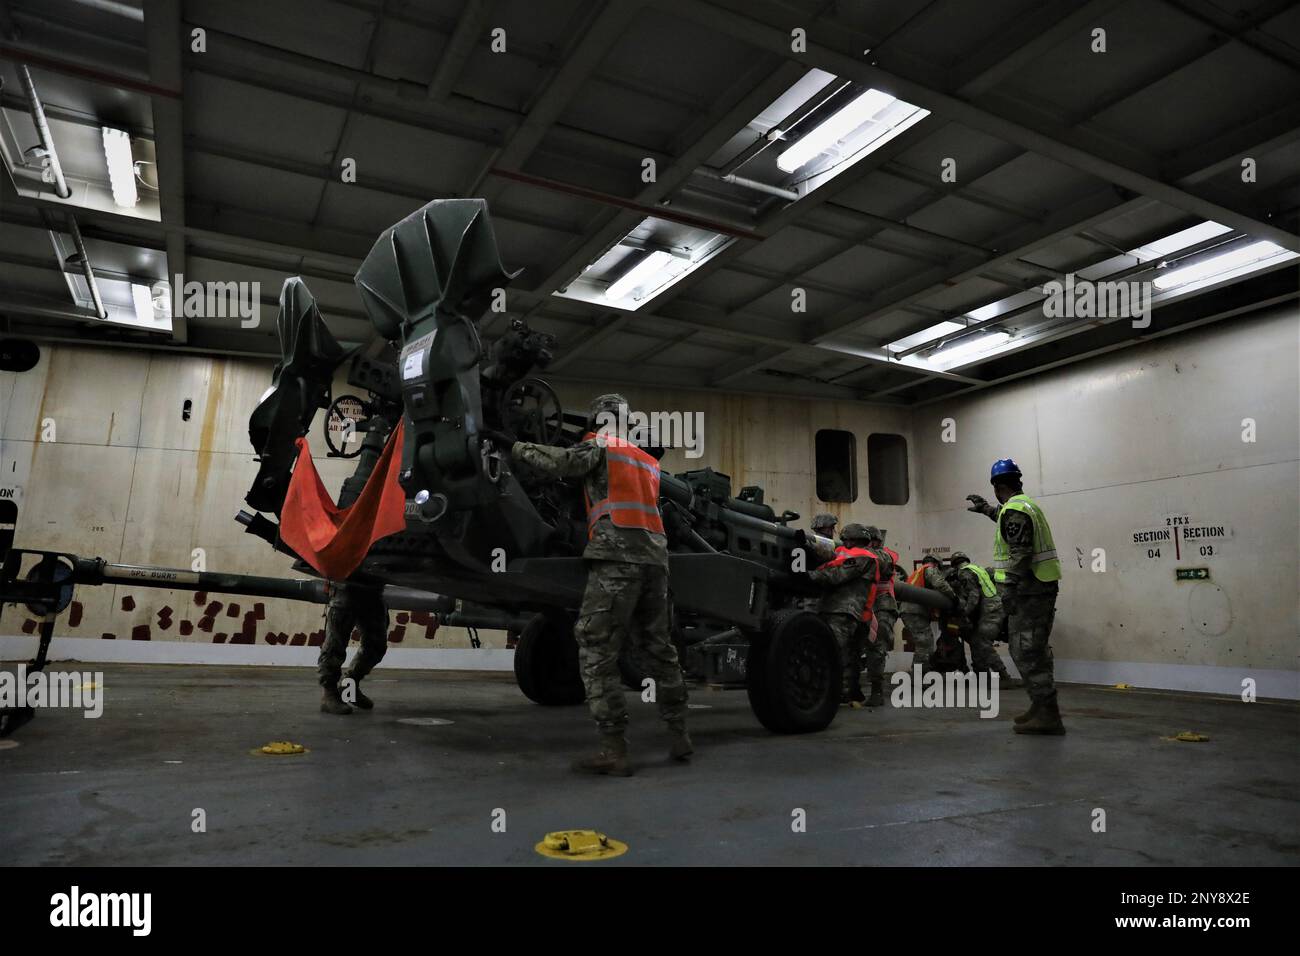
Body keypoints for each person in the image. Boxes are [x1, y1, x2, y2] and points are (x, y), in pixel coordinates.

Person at [488, 394, 691, 775]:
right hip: (655, 562)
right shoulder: (646, 461)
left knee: (597, 647)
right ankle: (679, 734)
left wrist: (512, 445)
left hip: (617, 559)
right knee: (659, 649)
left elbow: (557, 463)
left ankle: (614, 748)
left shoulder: (600, 446)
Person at [966, 458, 1064, 735]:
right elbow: (1010, 525)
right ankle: (1041, 706)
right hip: (1037, 587)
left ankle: (1047, 713)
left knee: (1026, 649)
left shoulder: (1016, 511)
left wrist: (1008, 590)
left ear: (999, 486)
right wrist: (986, 509)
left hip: (1029, 591)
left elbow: (1020, 553)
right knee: (1032, 648)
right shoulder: (1023, 506)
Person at [807, 523, 879, 705]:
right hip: (839, 610)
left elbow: (836, 575)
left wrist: (807, 575)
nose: (844, 542)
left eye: (847, 539)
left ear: (852, 539)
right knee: (845, 654)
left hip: (843, 611)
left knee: (833, 652)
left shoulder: (864, 556)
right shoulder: (847, 554)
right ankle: (847, 692)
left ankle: (832, 693)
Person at [948, 551, 1020, 688]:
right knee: (976, 640)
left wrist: (964, 612)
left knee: (982, 642)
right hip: (993, 607)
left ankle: (1004, 677)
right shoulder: (977, 568)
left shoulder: (963, 572)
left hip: (990, 609)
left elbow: (974, 596)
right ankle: (983, 677)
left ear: (955, 565)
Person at [319, 584, 390, 714]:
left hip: (373, 590)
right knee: (335, 646)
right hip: (345, 588)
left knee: (376, 645)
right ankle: (328, 695)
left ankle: (348, 688)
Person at [858, 526, 898, 707]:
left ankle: (877, 690)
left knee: (877, 647)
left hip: (882, 605)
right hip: (865, 605)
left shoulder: (884, 556)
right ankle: (852, 689)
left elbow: (883, 565)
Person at [900, 555, 959, 675]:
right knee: (925, 644)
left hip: (910, 610)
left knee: (924, 643)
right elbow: (940, 584)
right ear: (937, 564)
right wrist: (954, 597)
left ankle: (919, 675)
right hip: (914, 610)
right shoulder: (930, 569)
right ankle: (919, 677)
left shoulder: (918, 572)